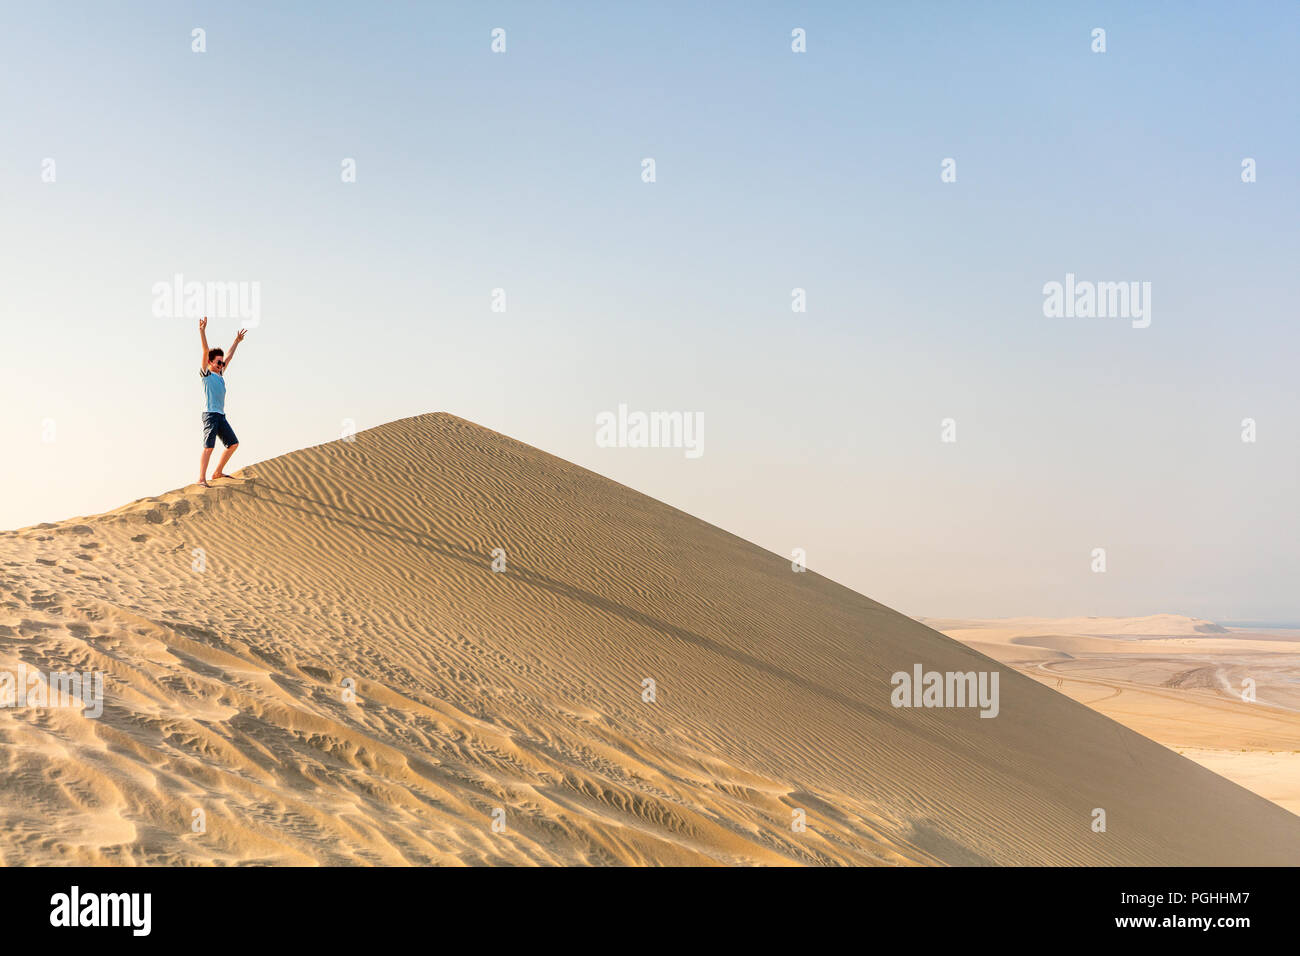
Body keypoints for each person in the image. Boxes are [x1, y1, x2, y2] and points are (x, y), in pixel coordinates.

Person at [198, 316, 247, 487]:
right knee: (209, 447)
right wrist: (202, 331)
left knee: (233, 444)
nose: (221, 364)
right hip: (210, 415)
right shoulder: (207, 375)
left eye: (222, 362)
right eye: (218, 362)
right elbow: (205, 351)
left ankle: (217, 472)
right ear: (211, 362)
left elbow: (230, 356)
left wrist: (236, 341)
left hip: (221, 416)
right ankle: (201, 479)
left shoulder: (220, 374)